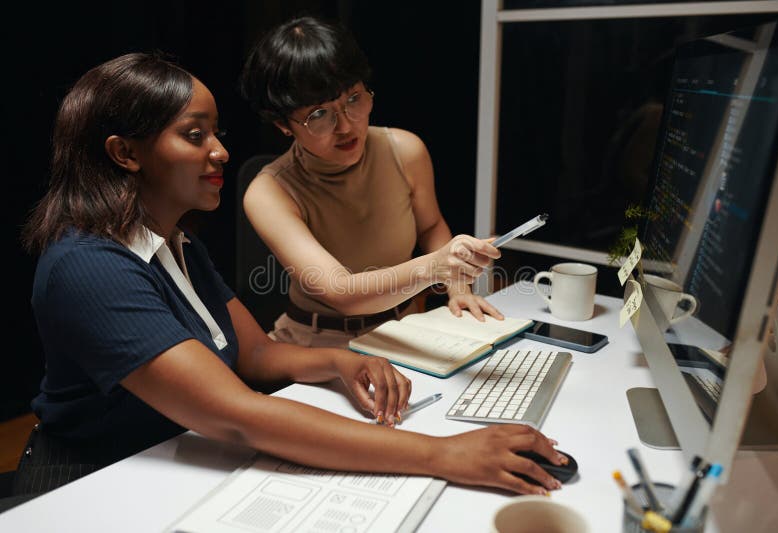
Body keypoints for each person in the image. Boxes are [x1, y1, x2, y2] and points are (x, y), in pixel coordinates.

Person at [13, 52, 567, 503]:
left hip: (178, 458)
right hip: (93, 485)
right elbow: (235, 414)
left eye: (216, 132)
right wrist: (442, 453)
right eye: (194, 134)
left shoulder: (177, 243)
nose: (220, 150)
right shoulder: (88, 265)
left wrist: (339, 361)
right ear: (124, 153)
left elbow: (254, 355)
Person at [238, 16, 504, 348]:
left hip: (406, 331)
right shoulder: (269, 192)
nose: (346, 127)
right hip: (317, 342)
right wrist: (436, 267)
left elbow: (431, 226)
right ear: (283, 125)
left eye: (353, 99)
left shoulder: (405, 151)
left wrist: (458, 289)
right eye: (319, 114)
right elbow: (342, 293)